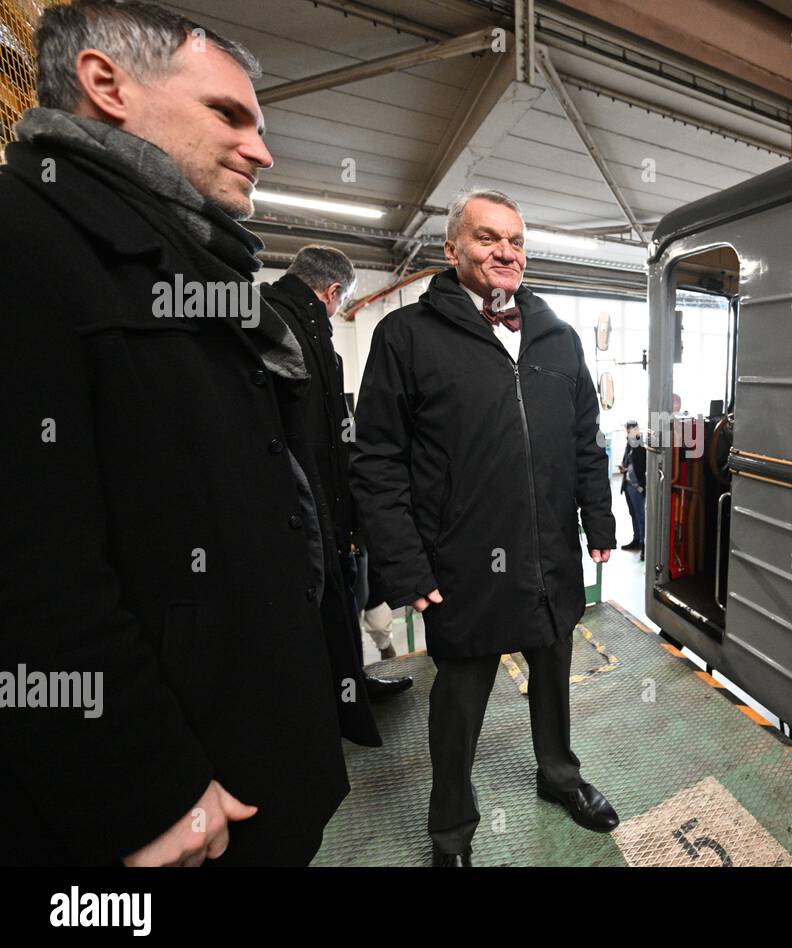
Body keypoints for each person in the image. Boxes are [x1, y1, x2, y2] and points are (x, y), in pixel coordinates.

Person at [0, 0, 371, 865]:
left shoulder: (190, 260)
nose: (262, 149)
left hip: (248, 757)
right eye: (228, 114)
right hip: (167, 806)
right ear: (106, 85)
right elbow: (27, 570)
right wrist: (141, 788)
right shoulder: (24, 243)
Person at [352, 188, 620, 867]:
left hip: (551, 554)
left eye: (516, 241)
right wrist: (404, 567)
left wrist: (598, 515)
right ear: (452, 249)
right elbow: (377, 461)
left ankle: (559, 776)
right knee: (460, 701)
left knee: (553, 675)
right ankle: (451, 829)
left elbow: (586, 439)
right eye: (487, 238)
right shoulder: (407, 336)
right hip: (463, 562)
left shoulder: (557, 335)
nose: (505, 252)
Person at [262, 246, 412, 704]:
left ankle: (346, 689)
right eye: (341, 303)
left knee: (340, 605)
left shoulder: (265, 317)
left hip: (301, 511)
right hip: (310, 513)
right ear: (332, 292)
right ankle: (341, 698)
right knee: (331, 605)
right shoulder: (297, 330)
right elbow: (316, 441)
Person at [617, 420, 647, 555]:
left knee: (641, 515)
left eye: (631, 430)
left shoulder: (640, 445)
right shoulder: (628, 443)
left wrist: (641, 485)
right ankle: (636, 539)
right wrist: (624, 468)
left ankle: (643, 544)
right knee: (633, 514)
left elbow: (641, 465)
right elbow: (628, 461)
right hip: (628, 485)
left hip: (637, 486)